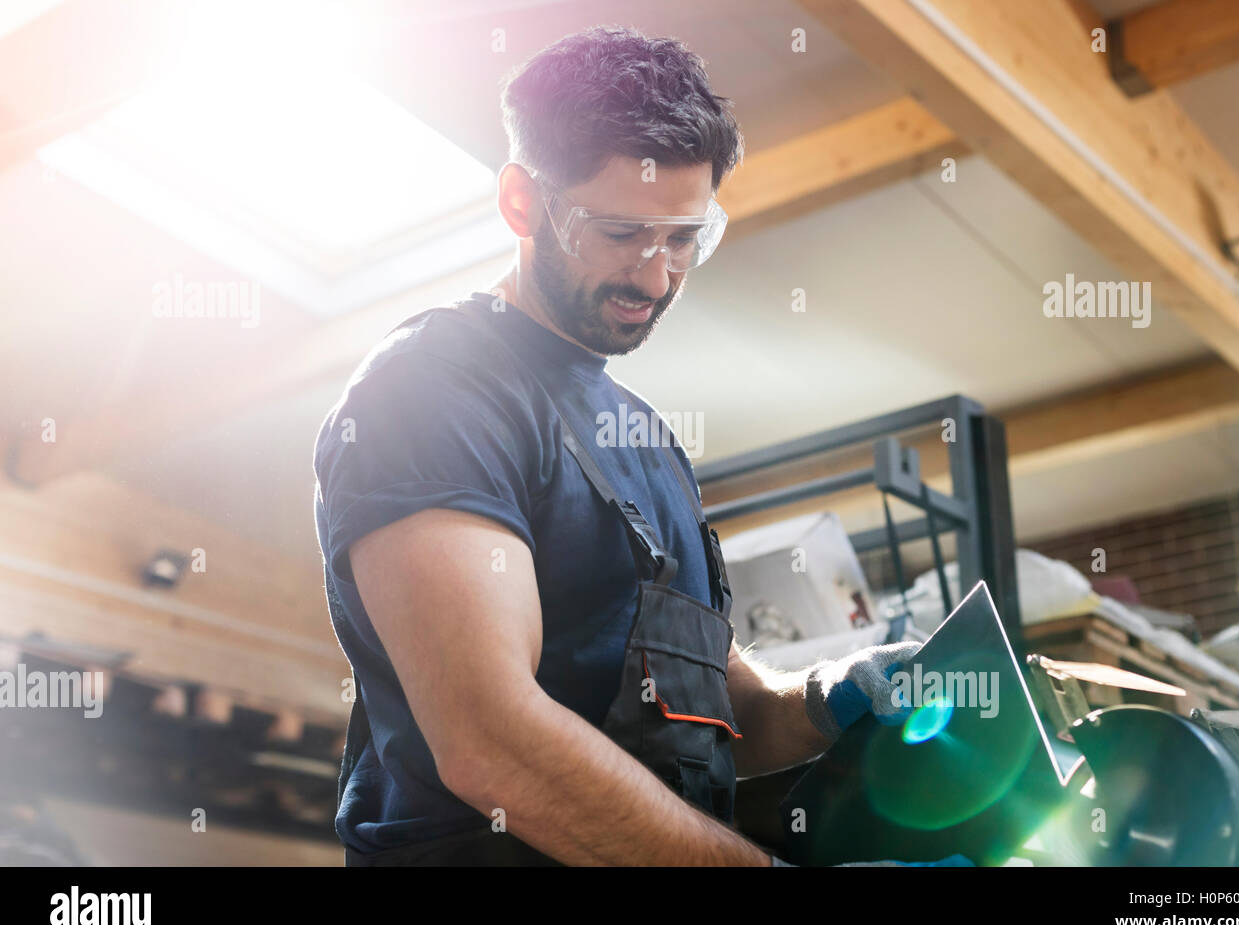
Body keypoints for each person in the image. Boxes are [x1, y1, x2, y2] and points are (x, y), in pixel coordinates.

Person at [313, 25, 926, 866]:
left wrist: (826, 699)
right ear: (524, 202)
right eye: (622, 233)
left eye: (684, 238)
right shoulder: (433, 392)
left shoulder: (646, 439)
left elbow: (715, 715)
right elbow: (490, 742)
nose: (656, 276)